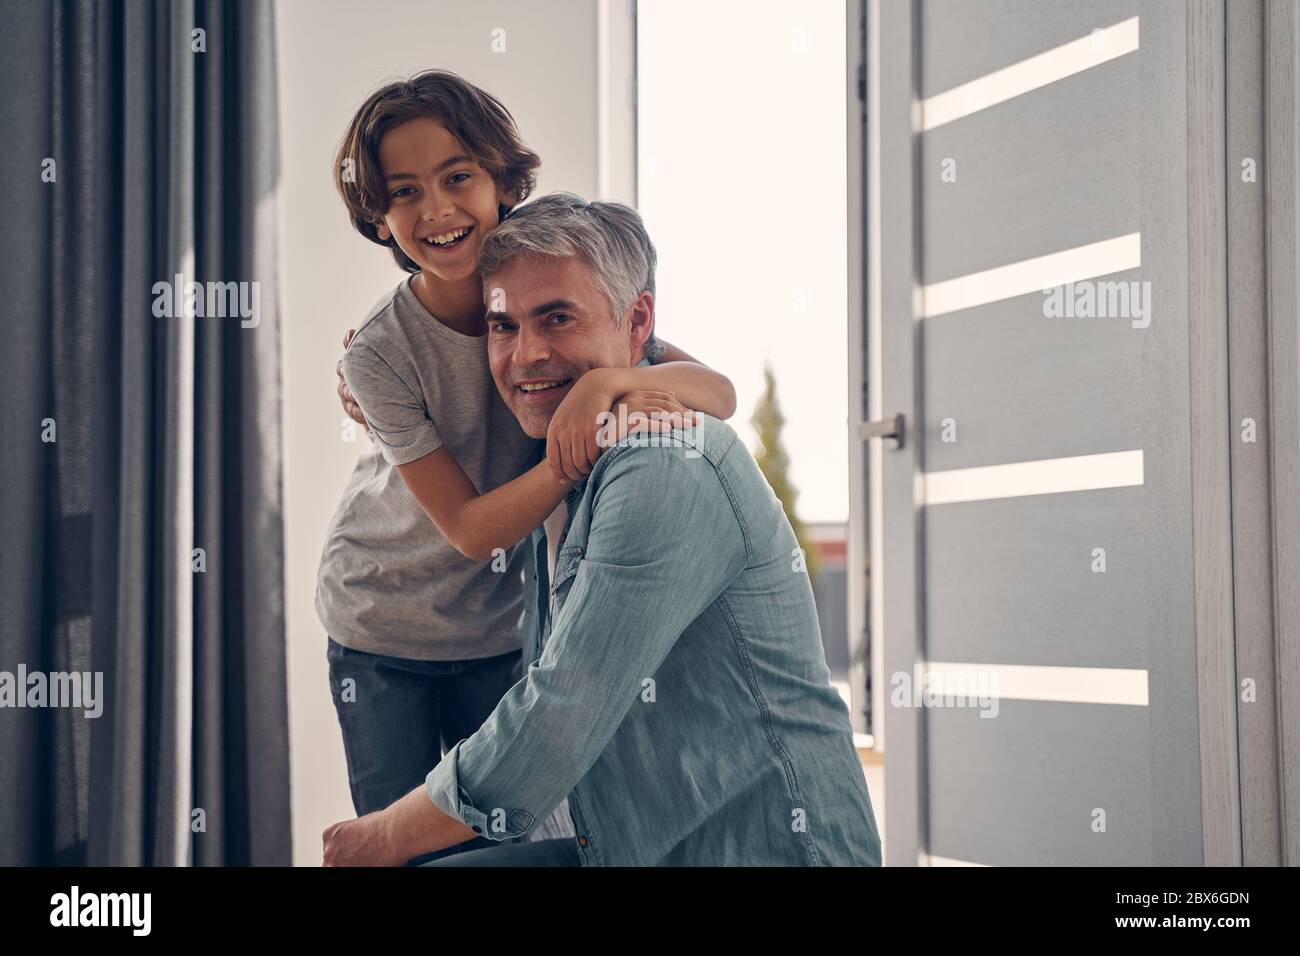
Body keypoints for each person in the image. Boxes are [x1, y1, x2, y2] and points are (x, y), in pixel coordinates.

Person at [321, 193, 882, 866]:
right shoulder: (559, 456)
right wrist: (371, 370)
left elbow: (561, 712)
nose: (526, 354)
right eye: (505, 327)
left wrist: (383, 836)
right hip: (634, 844)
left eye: (557, 318)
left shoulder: (665, 465)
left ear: (637, 318)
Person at [317, 71, 736, 858]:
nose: (436, 210)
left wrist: (611, 383)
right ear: (379, 217)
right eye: (404, 192)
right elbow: (473, 531)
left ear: (505, 182)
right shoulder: (379, 354)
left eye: (457, 178)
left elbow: (716, 389)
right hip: (383, 627)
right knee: (405, 843)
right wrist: (577, 450)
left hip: (495, 627)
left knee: (496, 830)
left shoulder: (548, 286)